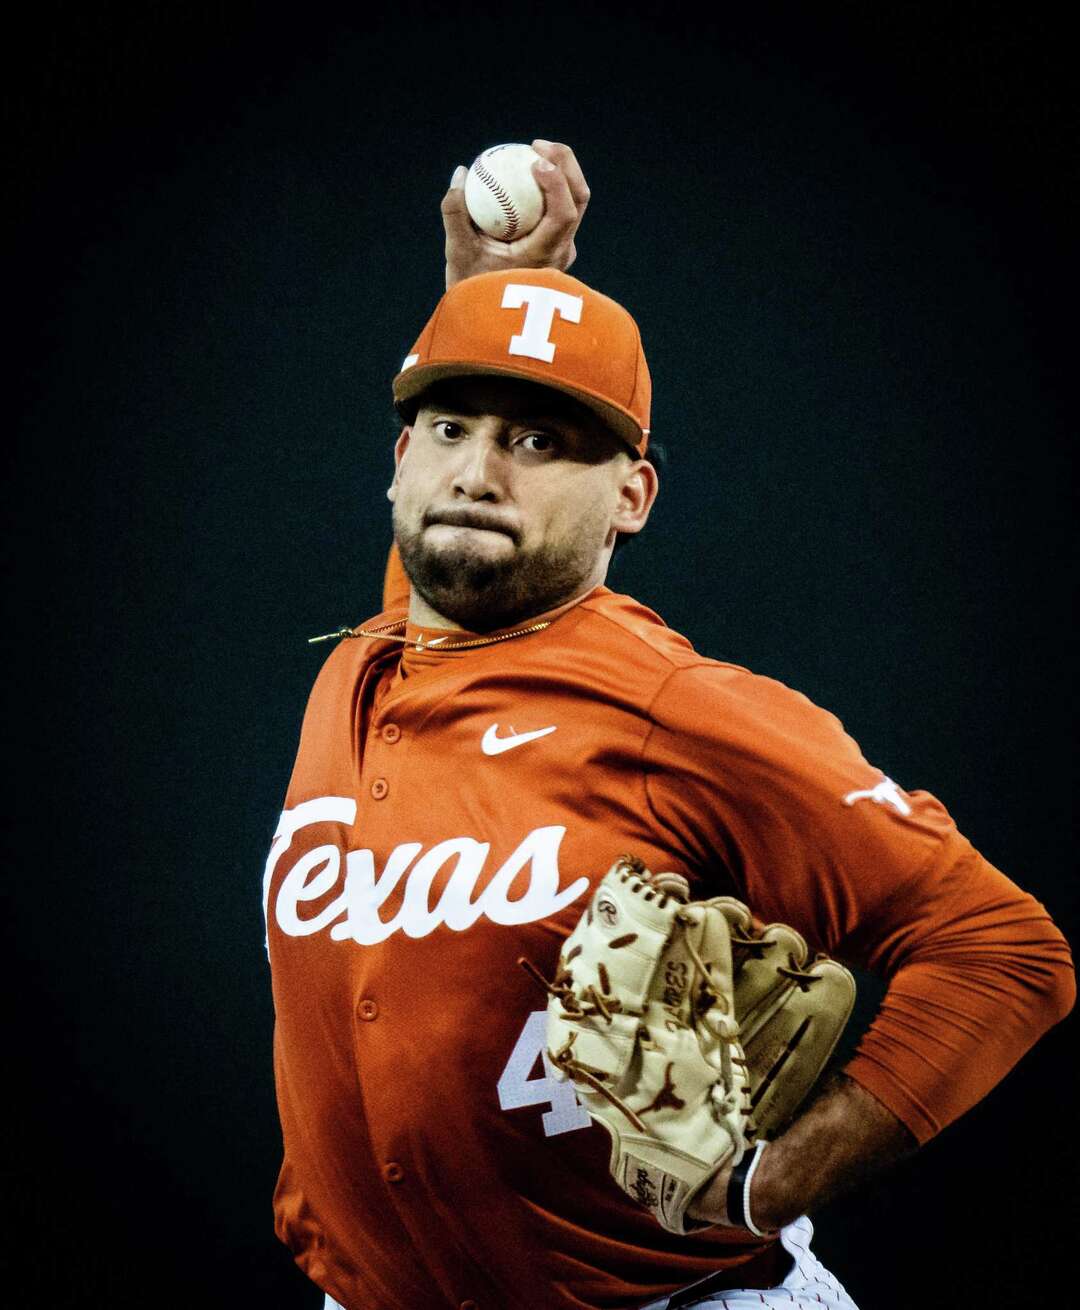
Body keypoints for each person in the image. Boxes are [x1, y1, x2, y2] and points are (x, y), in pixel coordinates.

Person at [262, 143, 1074, 1310]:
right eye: (450, 430)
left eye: (542, 442)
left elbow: (1007, 948)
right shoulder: (376, 659)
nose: (481, 473)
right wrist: (477, 293)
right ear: (399, 462)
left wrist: (774, 1180)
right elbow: (447, 557)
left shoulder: (673, 707)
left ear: (632, 496)